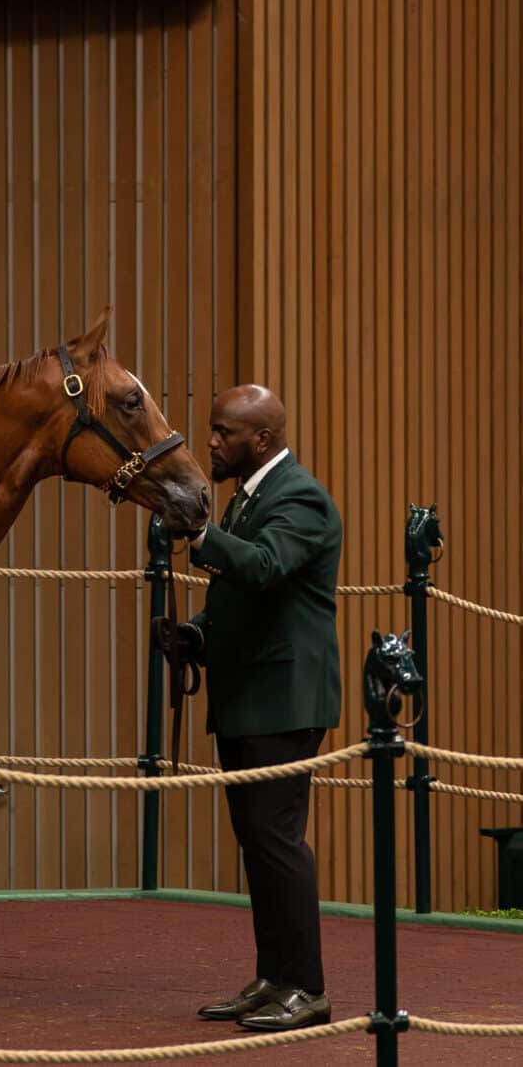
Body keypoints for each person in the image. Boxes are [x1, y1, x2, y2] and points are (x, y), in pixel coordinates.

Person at [163, 385, 341, 1032]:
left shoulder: (299, 497)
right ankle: (274, 978)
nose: (209, 441)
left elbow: (264, 567)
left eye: (221, 433)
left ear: (258, 440)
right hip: (247, 697)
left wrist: (201, 535)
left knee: (277, 841)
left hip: (283, 700)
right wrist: (198, 636)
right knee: (257, 844)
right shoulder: (251, 497)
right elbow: (244, 599)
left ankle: (308, 989)